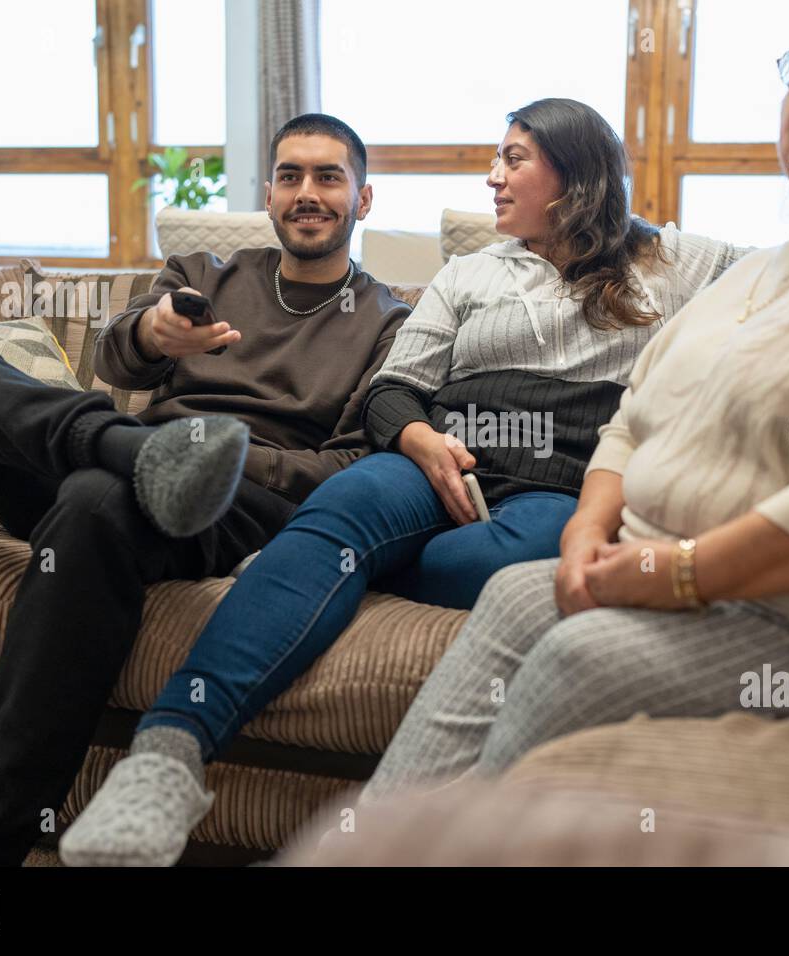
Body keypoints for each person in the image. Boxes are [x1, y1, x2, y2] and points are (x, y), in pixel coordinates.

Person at [354, 2, 789, 804]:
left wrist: (673, 573)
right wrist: (589, 532)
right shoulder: (755, 276)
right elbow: (633, 424)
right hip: (724, 605)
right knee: (524, 591)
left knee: (584, 657)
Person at [59, 97, 748, 866]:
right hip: (439, 459)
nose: (492, 177)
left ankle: (309, 565)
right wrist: (420, 438)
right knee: (345, 510)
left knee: (474, 566)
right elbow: (395, 388)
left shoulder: (672, 262)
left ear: (575, 171)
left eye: (513, 159)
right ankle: (167, 754)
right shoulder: (471, 271)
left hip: (563, 486)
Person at [0, 112, 410, 866]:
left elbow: (352, 471)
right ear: (270, 193)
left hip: (236, 507)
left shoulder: (391, 321)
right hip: (116, 462)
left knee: (95, 500)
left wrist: (212, 455)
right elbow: (117, 365)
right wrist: (154, 337)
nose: (307, 193)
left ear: (364, 198)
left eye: (328, 177)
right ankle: (119, 445)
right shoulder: (205, 274)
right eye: (290, 176)